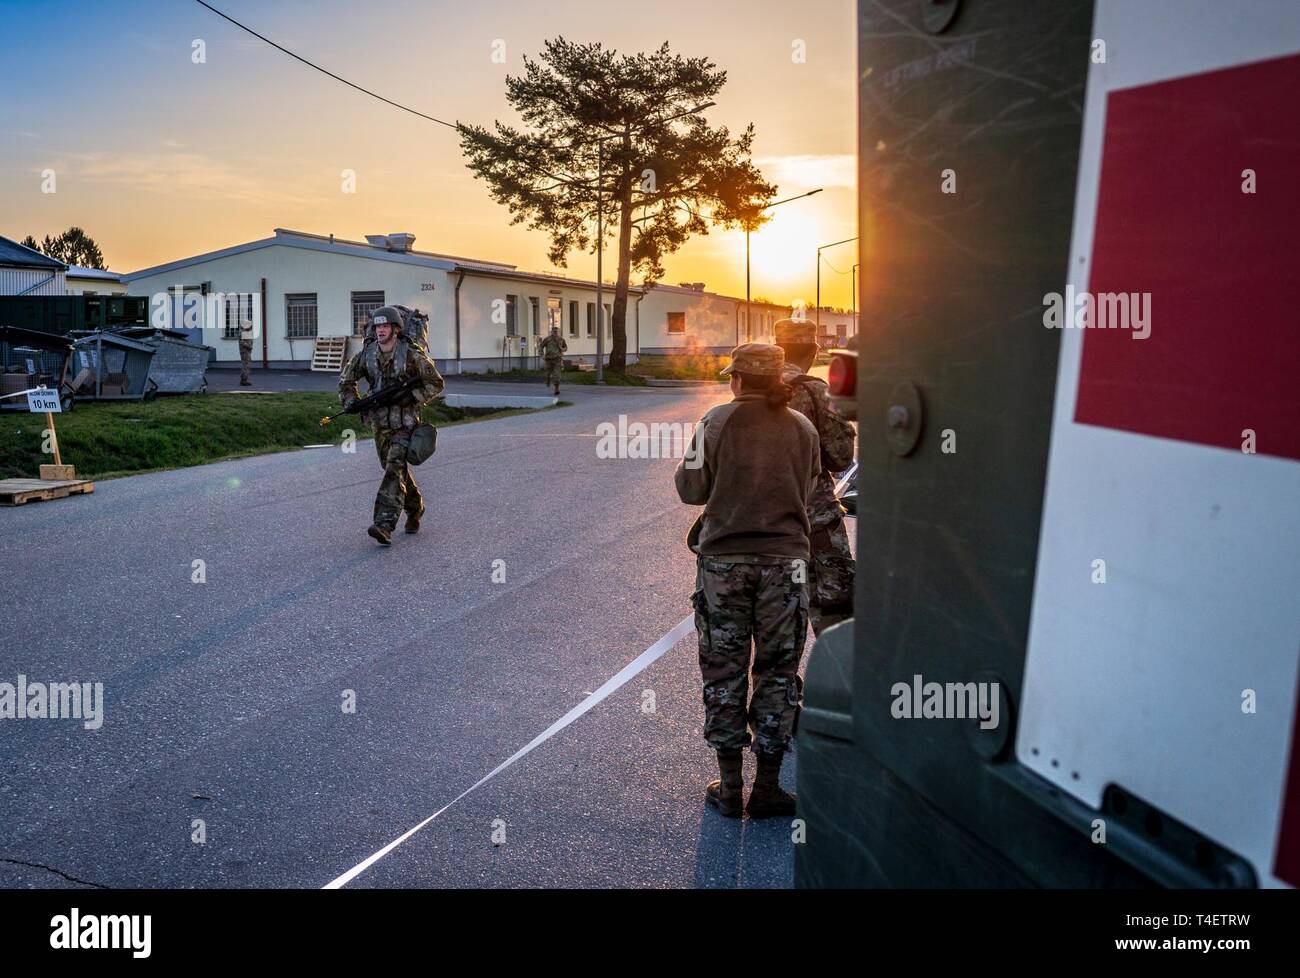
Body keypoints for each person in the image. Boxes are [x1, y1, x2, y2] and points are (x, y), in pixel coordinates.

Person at [675, 343, 820, 819]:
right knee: (778, 672)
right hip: (786, 565)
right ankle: (770, 788)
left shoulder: (715, 422)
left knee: (724, 671)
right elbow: (809, 487)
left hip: (725, 565)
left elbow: (689, 489)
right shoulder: (802, 428)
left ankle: (731, 786)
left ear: (738, 378)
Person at [774, 318, 857, 636]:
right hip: (814, 521)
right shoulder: (813, 390)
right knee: (835, 615)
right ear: (812, 351)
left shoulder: (749, 389)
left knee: (776, 624)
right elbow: (841, 457)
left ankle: (780, 687)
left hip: (761, 523)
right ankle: (839, 682)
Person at [338, 306, 445, 546]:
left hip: (405, 424)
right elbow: (346, 381)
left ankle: (384, 524)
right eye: (377, 327)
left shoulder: (410, 354)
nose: (381, 331)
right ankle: (416, 508)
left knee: (394, 468)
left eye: (385, 326)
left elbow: (436, 383)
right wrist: (351, 400)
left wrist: (412, 397)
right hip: (380, 424)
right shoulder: (367, 355)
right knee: (395, 471)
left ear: (396, 329)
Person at [539, 326, 567, 395]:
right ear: (551, 332)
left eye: (556, 331)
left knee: (557, 375)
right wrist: (542, 354)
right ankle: (548, 380)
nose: (555, 333)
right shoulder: (547, 339)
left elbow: (565, 347)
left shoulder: (561, 339)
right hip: (549, 359)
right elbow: (541, 346)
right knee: (548, 373)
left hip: (557, 359)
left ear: (558, 332)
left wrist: (562, 349)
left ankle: (556, 389)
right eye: (554, 331)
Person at [238, 317, 255, 386]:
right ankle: (244, 380)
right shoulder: (243, 332)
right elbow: (242, 342)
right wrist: (249, 346)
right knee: (246, 365)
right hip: (245, 351)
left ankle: (244, 379)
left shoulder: (246, 332)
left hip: (247, 351)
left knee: (247, 365)